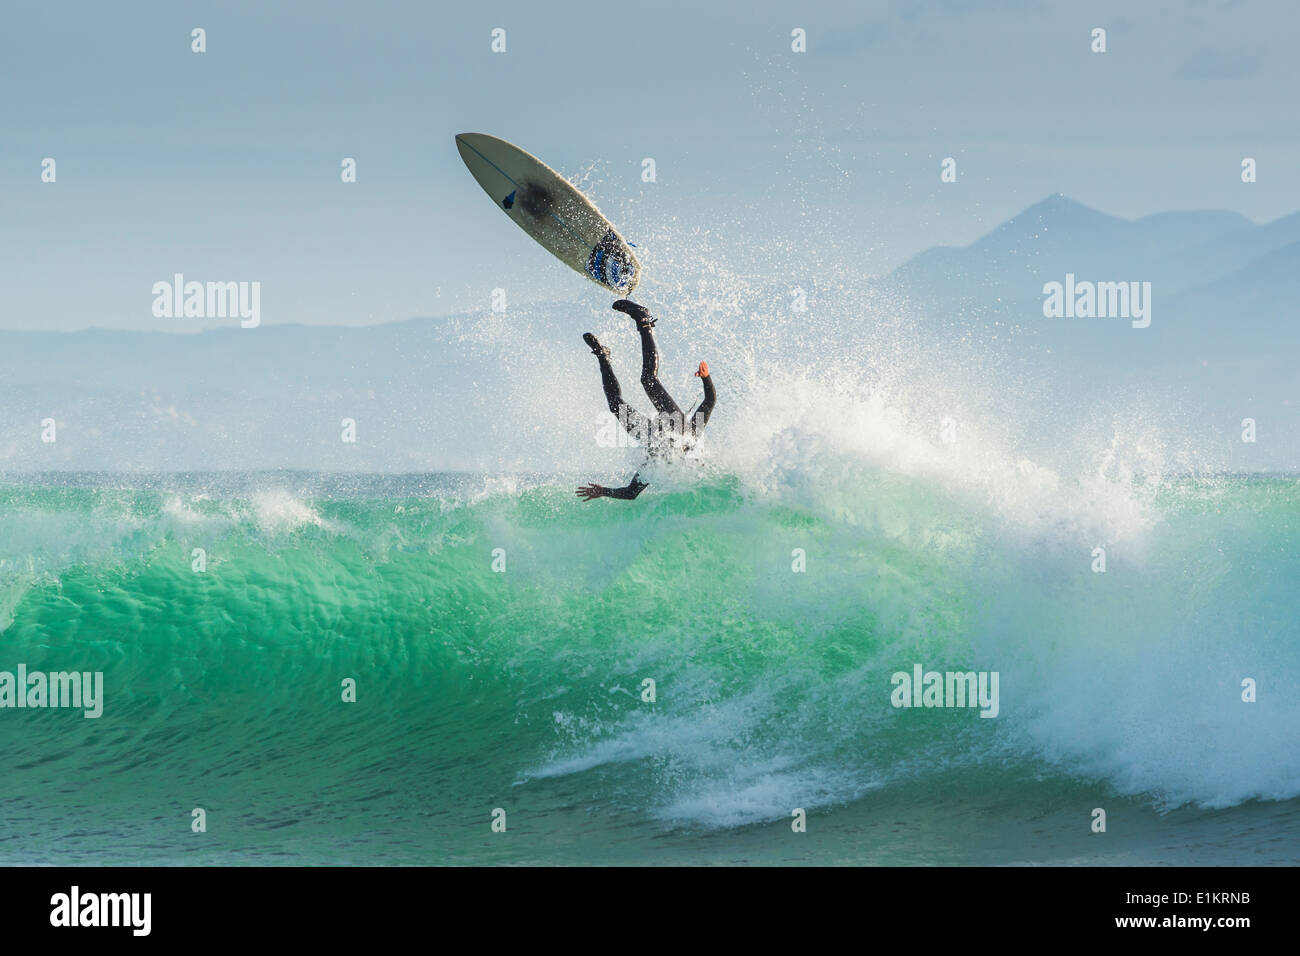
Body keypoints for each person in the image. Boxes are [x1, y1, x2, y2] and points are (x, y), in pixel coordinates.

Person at [576, 299, 714, 501]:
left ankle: (602, 355)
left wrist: (603, 491)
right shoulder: (689, 434)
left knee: (615, 405)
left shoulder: (654, 464)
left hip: (651, 436)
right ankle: (644, 321)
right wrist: (706, 378)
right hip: (675, 424)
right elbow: (709, 401)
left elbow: (631, 493)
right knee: (648, 379)